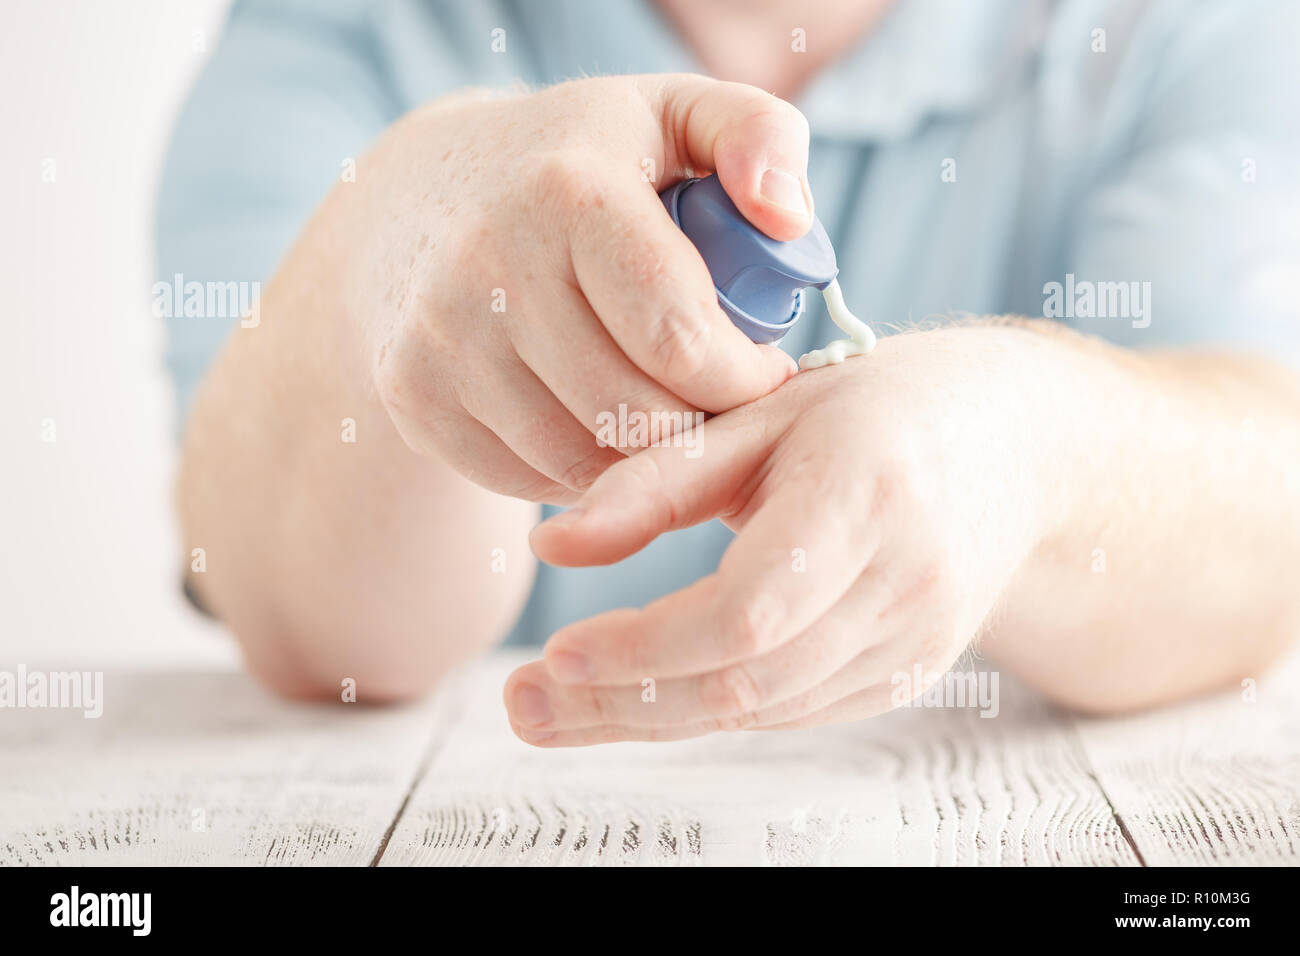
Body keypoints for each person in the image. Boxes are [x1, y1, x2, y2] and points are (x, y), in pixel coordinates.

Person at [158, 0, 1300, 746]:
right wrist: (394, 234)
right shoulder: (337, 30)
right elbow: (313, 636)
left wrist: (1021, 449)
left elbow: (1267, 508)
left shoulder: (1180, 29)